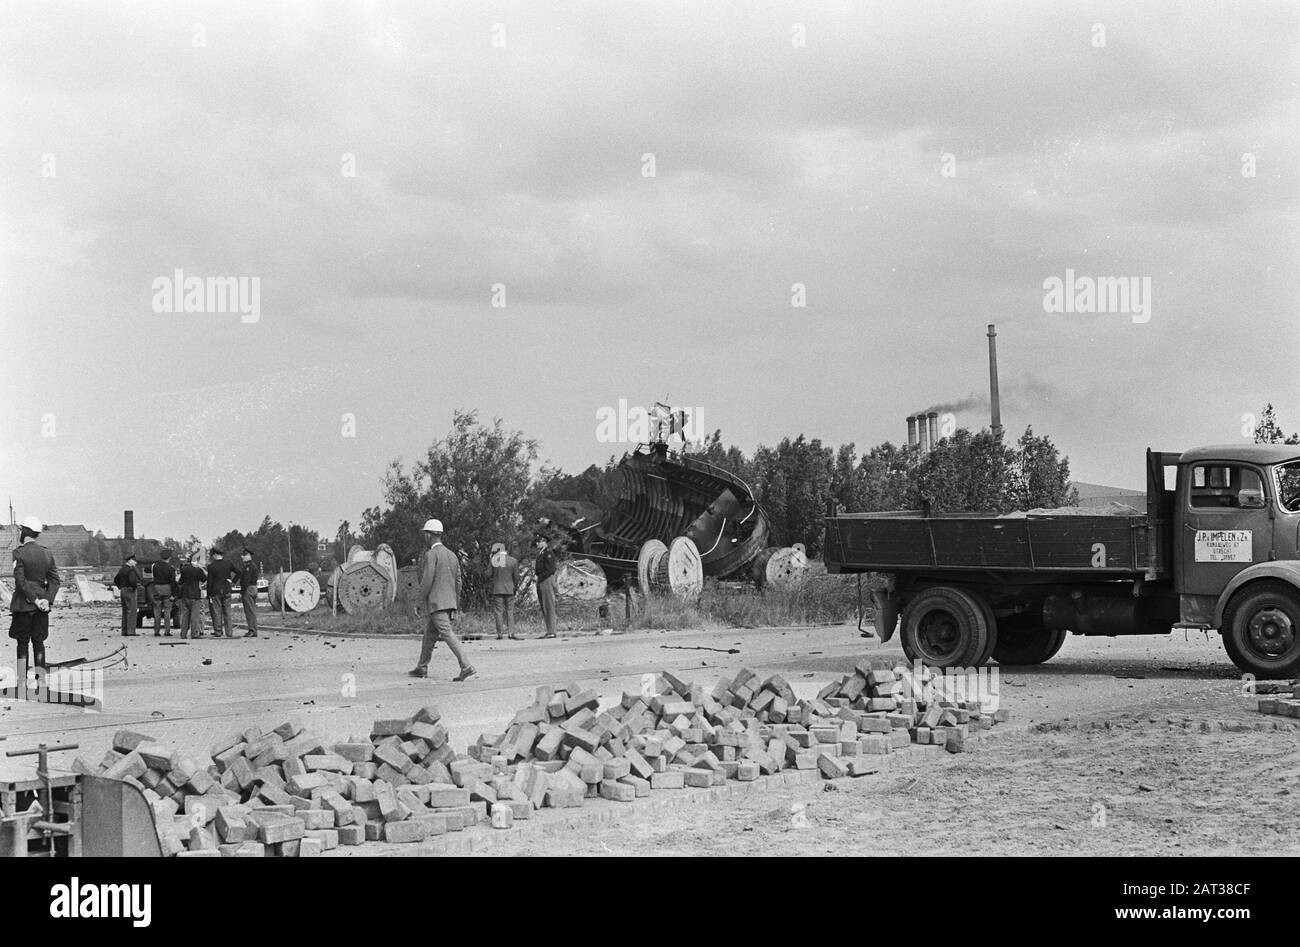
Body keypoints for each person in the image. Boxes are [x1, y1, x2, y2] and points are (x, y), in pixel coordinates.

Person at [409, 518, 475, 681]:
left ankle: (466, 666)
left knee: (446, 633)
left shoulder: (431, 554)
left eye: (425, 534)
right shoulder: (452, 555)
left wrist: (419, 601)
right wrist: (456, 603)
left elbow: (427, 580)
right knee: (429, 635)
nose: (424, 537)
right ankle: (422, 667)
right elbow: (458, 581)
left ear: (429, 535)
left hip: (436, 603)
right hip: (448, 602)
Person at [9, 515, 59, 672]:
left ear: (24, 532)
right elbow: (55, 581)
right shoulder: (47, 553)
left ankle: (22, 683)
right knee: (39, 643)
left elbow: (20, 581)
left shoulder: (18, 553)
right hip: (42, 607)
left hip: (23, 605)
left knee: (22, 643)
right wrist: (47, 600)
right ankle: (41, 683)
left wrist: (35, 600)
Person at [489, 542, 521, 640]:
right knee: (510, 611)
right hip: (509, 588)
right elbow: (516, 577)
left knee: (498, 611)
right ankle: (511, 633)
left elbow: (487, 574)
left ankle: (500, 634)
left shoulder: (494, 560)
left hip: (498, 589)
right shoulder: (513, 561)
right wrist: (514, 587)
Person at [205, 548, 237, 638]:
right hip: (227, 589)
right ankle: (229, 632)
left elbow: (209, 581)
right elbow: (239, 572)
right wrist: (232, 581)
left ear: (214, 555)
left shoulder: (211, 566)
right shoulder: (228, 564)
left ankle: (218, 631)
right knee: (227, 612)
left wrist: (208, 594)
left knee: (216, 612)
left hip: (215, 591)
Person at [534, 534, 558, 639]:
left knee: (549, 605)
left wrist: (541, 578)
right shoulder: (541, 553)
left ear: (544, 542)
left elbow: (551, 570)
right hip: (542, 580)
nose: (537, 543)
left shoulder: (548, 553)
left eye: (539, 541)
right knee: (544, 606)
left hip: (546, 580)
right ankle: (549, 630)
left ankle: (552, 631)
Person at [176, 554, 207, 639]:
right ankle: (194, 634)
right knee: (195, 616)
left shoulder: (184, 569)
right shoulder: (198, 570)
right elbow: (204, 579)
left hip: (185, 594)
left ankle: (183, 634)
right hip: (195, 595)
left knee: (185, 615)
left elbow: (181, 581)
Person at [112, 552, 141, 637]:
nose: (136, 562)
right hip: (130, 590)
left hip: (123, 590)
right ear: (130, 560)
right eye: (134, 561)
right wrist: (134, 586)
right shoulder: (131, 569)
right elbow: (132, 580)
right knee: (132, 611)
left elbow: (116, 579)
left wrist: (120, 587)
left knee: (125, 612)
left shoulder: (122, 569)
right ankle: (131, 631)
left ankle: (124, 631)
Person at [151, 549, 177, 637]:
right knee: (167, 611)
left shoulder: (155, 566)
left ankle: (156, 631)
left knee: (157, 611)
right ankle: (167, 631)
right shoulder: (171, 568)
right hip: (167, 588)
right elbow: (173, 582)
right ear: (169, 557)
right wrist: (174, 594)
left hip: (157, 588)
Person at [237, 548, 259, 637]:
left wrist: (241, 592)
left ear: (248, 556)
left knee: (249, 610)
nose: (242, 557)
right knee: (251, 609)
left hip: (248, 589)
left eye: (244, 555)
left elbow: (246, 580)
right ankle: (253, 629)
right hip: (253, 588)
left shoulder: (249, 567)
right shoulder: (251, 566)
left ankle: (252, 630)